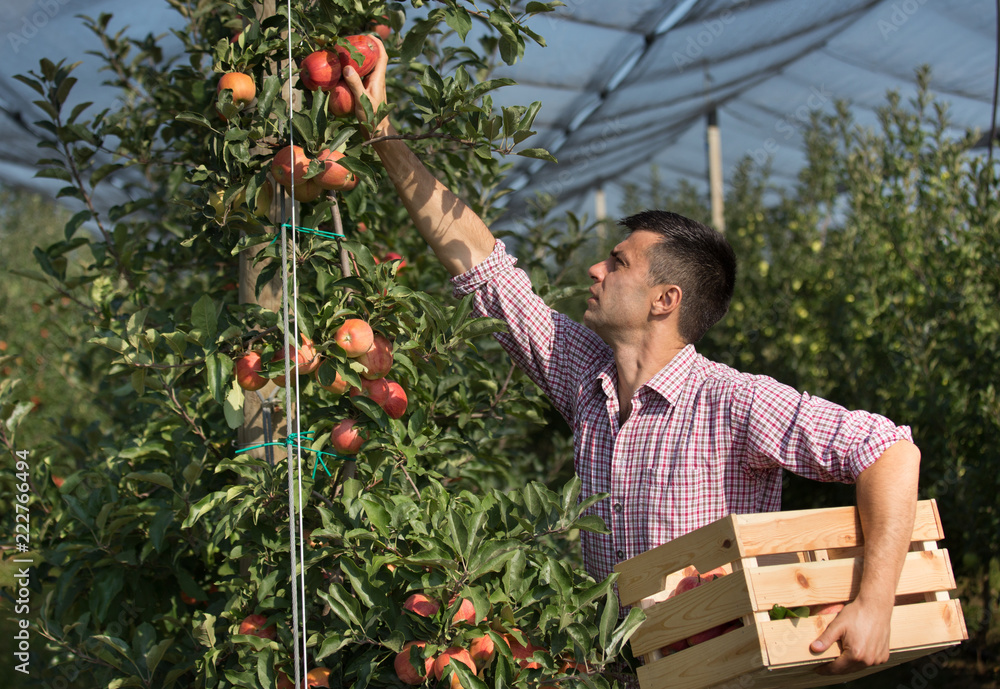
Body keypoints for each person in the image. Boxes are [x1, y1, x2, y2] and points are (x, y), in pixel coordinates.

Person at [342, 39, 921, 677]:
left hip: (718, 674)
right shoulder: (584, 376)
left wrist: (875, 601)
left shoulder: (733, 402)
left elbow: (889, 451)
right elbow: (486, 273)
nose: (595, 268)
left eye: (617, 262)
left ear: (664, 300)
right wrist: (382, 137)